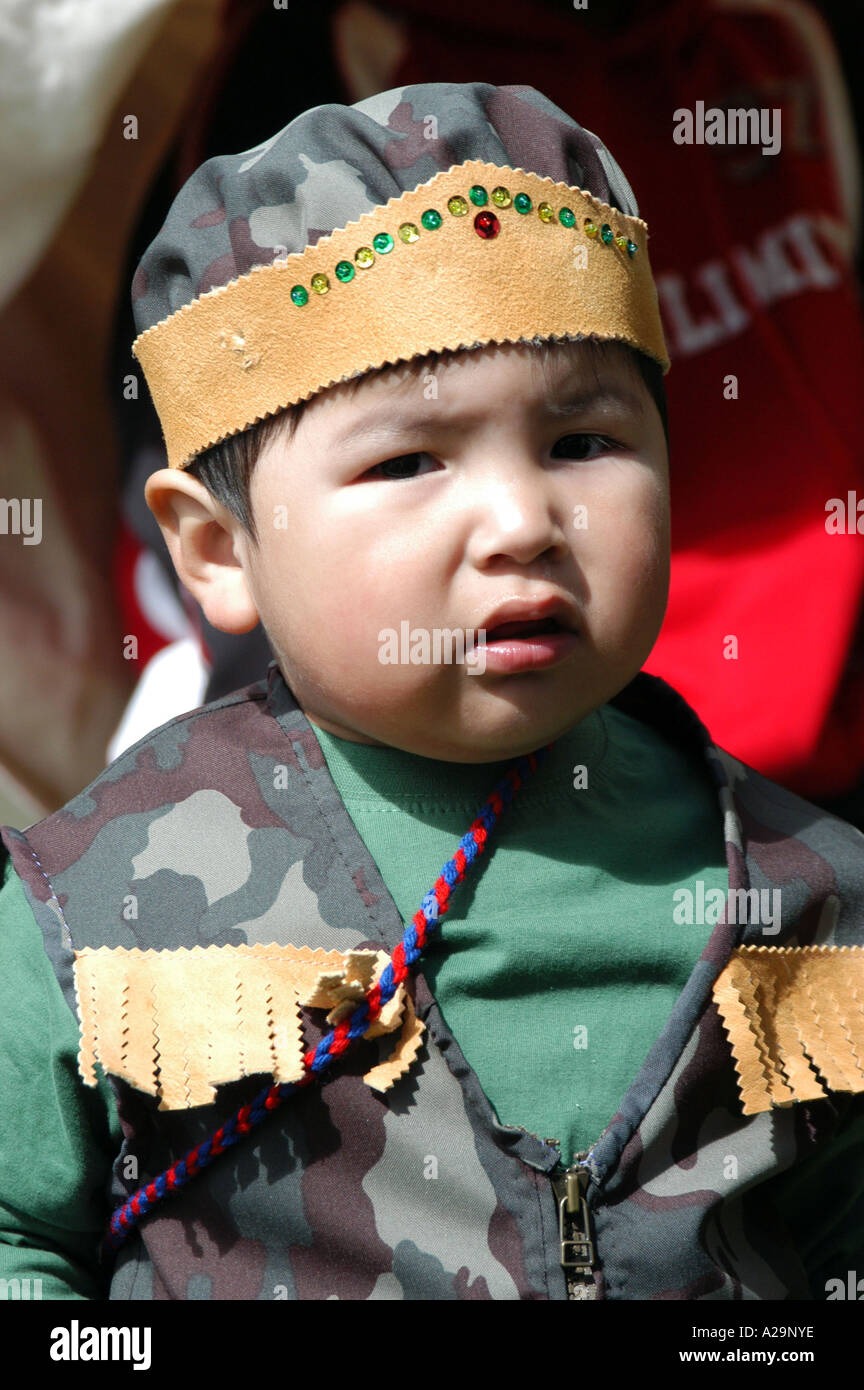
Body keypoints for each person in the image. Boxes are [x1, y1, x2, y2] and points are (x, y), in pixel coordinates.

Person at [1, 82, 863, 1302]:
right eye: (408, 461)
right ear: (215, 552)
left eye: (584, 442)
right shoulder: (96, 895)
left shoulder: (811, 885)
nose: (522, 522)